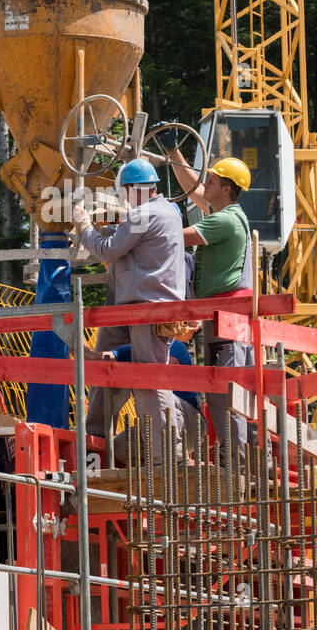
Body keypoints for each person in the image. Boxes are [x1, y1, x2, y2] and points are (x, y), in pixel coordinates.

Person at [72, 158, 186, 465]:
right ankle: (93, 449)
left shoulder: (145, 213)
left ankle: (168, 459)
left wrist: (84, 226)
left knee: (149, 381)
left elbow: (108, 249)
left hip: (147, 310)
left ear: (134, 190)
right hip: (132, 308)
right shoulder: (165, 212)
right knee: (104, 375)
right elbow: (131, 238)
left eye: (124, 192)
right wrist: (108, 225)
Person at [167, 149, 255, 468]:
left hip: (228, 321)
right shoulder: (226, 214)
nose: (206, 182)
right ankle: (240, 461)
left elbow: (177, 236)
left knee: (225, 397)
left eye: (212, 179)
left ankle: (236, 466)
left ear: (227, 189)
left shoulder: (226, 221)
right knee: (228, 396)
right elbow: (194, 189)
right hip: (223, 321)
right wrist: (172, 152)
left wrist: (141, 227)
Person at [104, 320, 205, 457]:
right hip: (156, 426)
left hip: (190, 425)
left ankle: (177, 457)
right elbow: (97, 359)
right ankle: (156, 465)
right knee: (119, 447)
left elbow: (162, 375)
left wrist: (125, 369)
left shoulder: (174, 346)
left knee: (152, 390)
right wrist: (75, 343)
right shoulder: (128, 351)